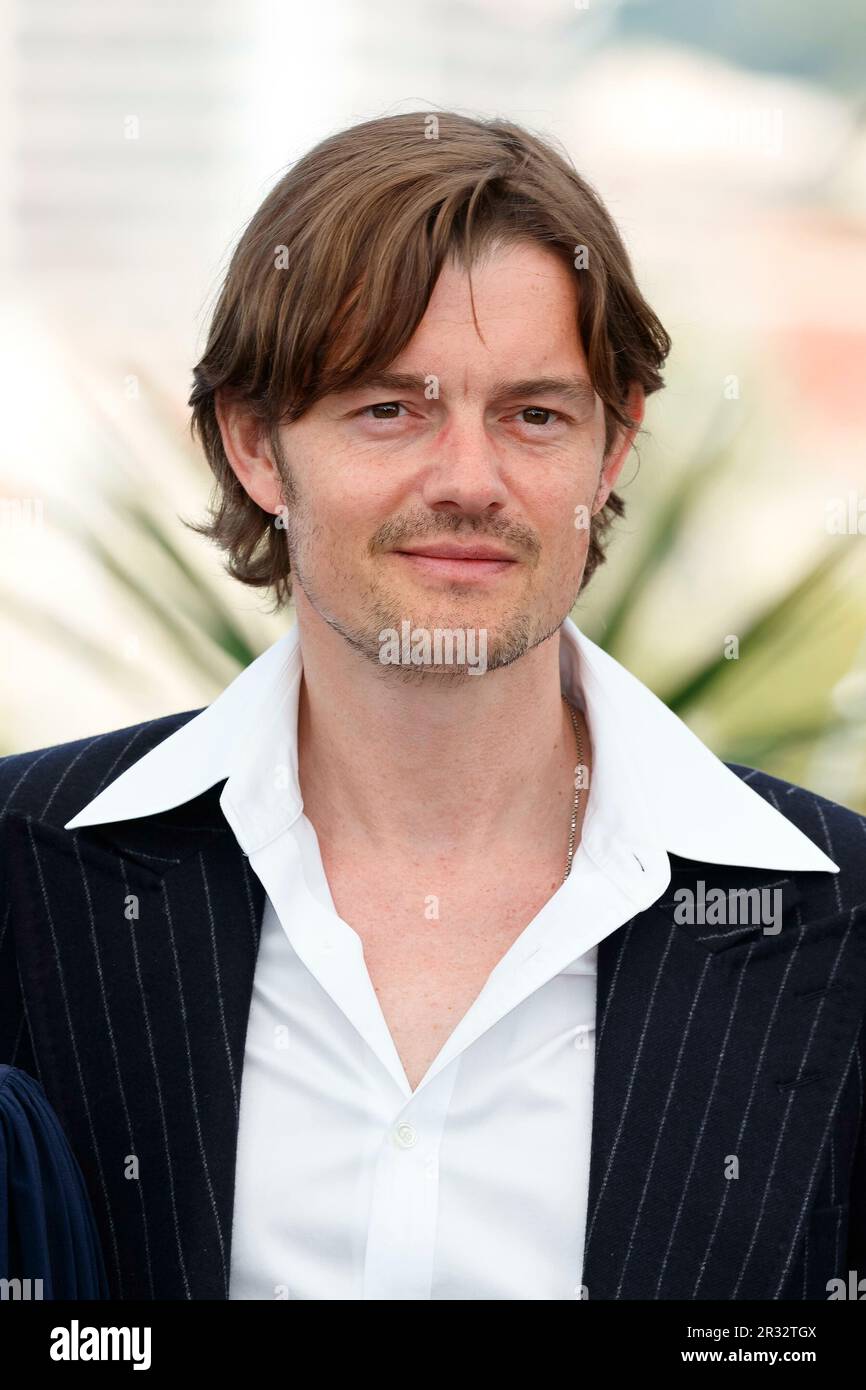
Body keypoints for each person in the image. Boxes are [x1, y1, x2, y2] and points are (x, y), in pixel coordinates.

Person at [1, 111, 864, 1301]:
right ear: (255, 445)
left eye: (534, 414)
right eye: (389, 409)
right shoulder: (24, 872)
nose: (469, 480)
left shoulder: (841, 918)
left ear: (610, 453)